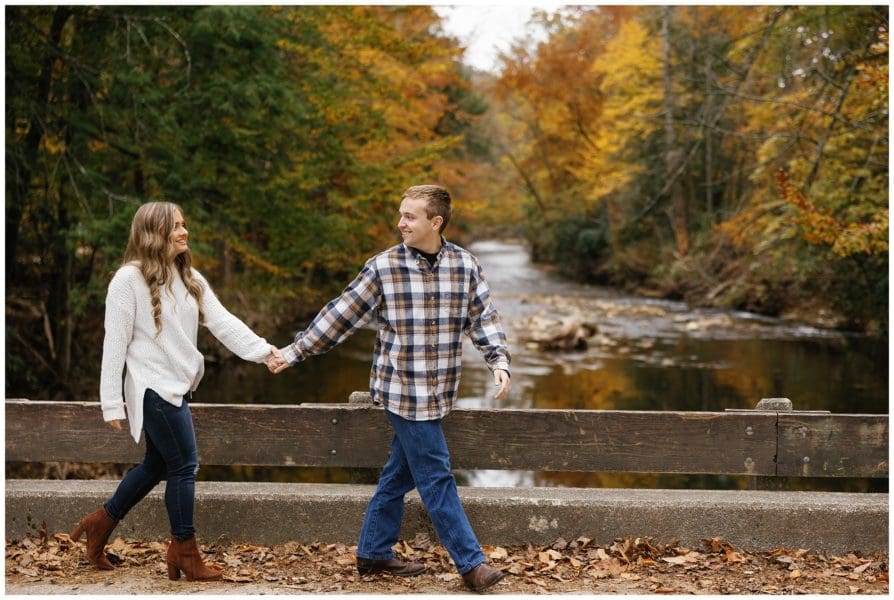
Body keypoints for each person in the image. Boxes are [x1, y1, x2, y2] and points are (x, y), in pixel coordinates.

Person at [268, 184, 511, 593]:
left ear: (436, 222)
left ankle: (373, 552)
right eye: (400, 214)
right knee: (436, 475)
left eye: (410, 216)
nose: (400, 223)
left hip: (440, 392)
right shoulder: (383, 267)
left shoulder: (465, 265)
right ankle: (471, 565)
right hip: (401, 390)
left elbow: (483, 318)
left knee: (400, 475)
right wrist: (295, 352)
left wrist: (498, 361)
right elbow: (340, 315)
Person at [70, 201, 282, 581]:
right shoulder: (127, 280)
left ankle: (100, 524)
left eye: (184, 225)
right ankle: (184, 549)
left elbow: (222, 322)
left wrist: (263, 352)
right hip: (152, 388)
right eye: (176, 227)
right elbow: (114, 343)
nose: (185, 232)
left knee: (157, 465)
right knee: (185, 466)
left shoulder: (189, 277)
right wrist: (111, 403)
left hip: (177, 386)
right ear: (154, 233)